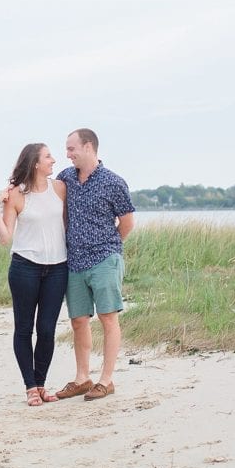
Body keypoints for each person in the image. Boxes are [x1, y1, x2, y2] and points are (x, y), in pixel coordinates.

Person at [53, 128, 135, 401]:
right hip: (74, 261)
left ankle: (106, 380)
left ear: (88, 147)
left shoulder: (114, 182)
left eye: (71, 148)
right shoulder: (66, 178)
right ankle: (82, 378)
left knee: (108, 317)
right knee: (78, 321)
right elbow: (44, 193)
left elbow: (127, 223)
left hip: (104, 258)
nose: (67, 154)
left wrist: (108, 248)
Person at [0, 143, 69, 407]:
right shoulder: (16, 194)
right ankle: (30, 387)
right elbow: (5, 238)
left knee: (46, 330)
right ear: (35, 163)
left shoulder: (60, 188)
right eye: (48, 156)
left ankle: (42, 382)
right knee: (24, 329)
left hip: (58, 268)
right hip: (25, 267)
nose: (54, 160)